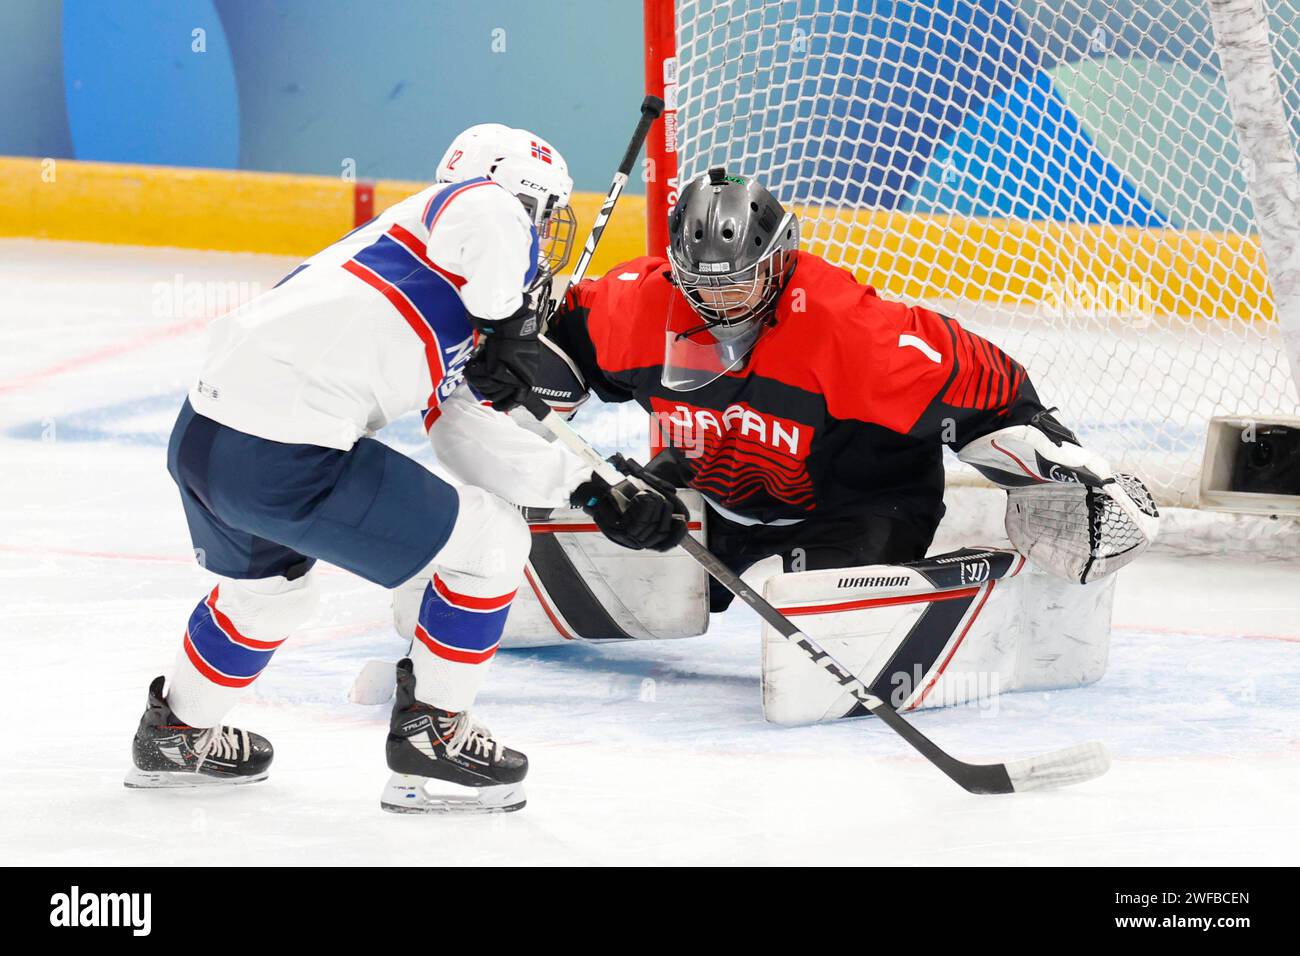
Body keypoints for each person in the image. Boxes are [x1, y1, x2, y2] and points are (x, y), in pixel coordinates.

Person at [124, 124, 686, 814]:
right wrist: (507, 323)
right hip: (281, 452)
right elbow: (483, 208)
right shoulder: (471, 214)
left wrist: (590, 490)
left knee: (271, 595)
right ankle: (434, 738)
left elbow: (461, 434)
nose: (545, 233)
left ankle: (176, 733)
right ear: (524, 201)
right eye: (543, 212)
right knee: (492, 547)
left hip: (205, 441)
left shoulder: (429, 271)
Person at [534, 166, 1158, 614]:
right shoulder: (639, 305)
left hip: (857, 508)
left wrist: (1057, 458)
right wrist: (519, 356)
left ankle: (945, 586)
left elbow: (983, 385)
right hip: (714, 496)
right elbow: (558, 363)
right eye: (702, 283)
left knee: (788, 594)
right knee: (618, 540)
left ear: (779, 264)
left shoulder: (848, 330)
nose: (719, 302)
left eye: (740, 283)